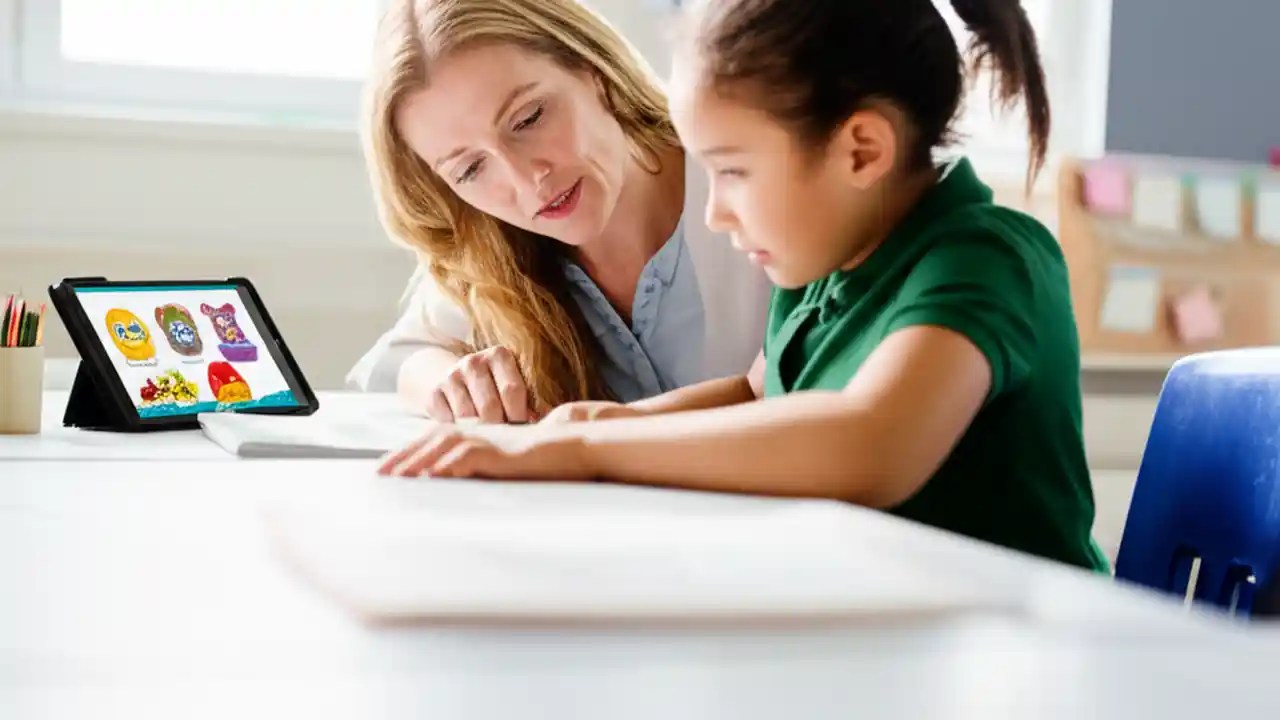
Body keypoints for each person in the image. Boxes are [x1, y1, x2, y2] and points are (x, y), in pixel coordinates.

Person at [380, 0, 1109, 572]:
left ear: (862, 149)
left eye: (732, 172)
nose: (714, 210)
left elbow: (870, 444)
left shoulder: (986, 258)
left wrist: (589, 446)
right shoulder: (825, 263)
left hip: (1017, 652)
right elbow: (760, 395)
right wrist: (572, 430)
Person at [346, 0, 771, 423]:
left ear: (594, 74)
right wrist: (452, 382)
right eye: (470, 168)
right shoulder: (496, 254)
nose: (525, 177)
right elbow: (397, 357)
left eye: (528, 119)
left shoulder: (756, 182)